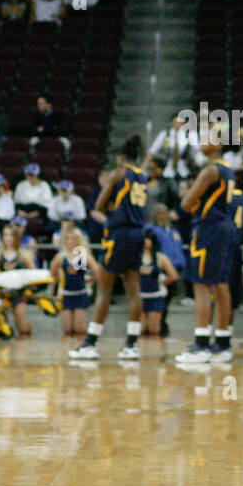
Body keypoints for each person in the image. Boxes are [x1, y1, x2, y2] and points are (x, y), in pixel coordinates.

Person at [70, 136, 147, 360]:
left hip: (119, 233)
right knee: (134, 289)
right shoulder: (142, 175)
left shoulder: (119, 173)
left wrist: (111, 214)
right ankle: (131, 345)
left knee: (104, 289)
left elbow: (98, 205)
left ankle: (90, 343)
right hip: (138, 233)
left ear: (121, 157)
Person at [175, 135, 238, 364]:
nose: (202, 142)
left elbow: (185, 203)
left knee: (201, 285)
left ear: (219, 144)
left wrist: (192, 203)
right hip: (226, 227)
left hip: (210, 228)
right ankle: (222, 344)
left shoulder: (211, 170)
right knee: (221, 285)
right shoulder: (228, 169)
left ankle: (201, 346)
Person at [51, 227, 99, 340]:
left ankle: (80, 348)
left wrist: (90, 280)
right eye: (68, 238)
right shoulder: (61, 257)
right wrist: (60, 281)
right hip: (65, 294)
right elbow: (53, 272)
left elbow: (97, 271)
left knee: (79, 329)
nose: (71, 241)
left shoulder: (84, 255)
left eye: (74, 238)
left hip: (80, 293)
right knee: (67, 330)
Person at [139, 230, 179, 338]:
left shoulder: (160, 257)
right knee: (140, 329)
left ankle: (154, 352)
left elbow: (174, 276)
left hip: (155, 296)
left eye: (147, 239)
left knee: (154, 330)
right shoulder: (135, 256)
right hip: (139, 297)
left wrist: (161, 283)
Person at [13, 163, 53, 236]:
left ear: (36, 174)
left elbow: (47, 204)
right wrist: (20, 211)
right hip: (23, 211)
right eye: (28, 174)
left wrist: (36, 213)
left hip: (39, 212)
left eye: (32, 175)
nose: (30, 177)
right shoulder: (21, 185)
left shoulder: (44, 185)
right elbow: (16, 202)